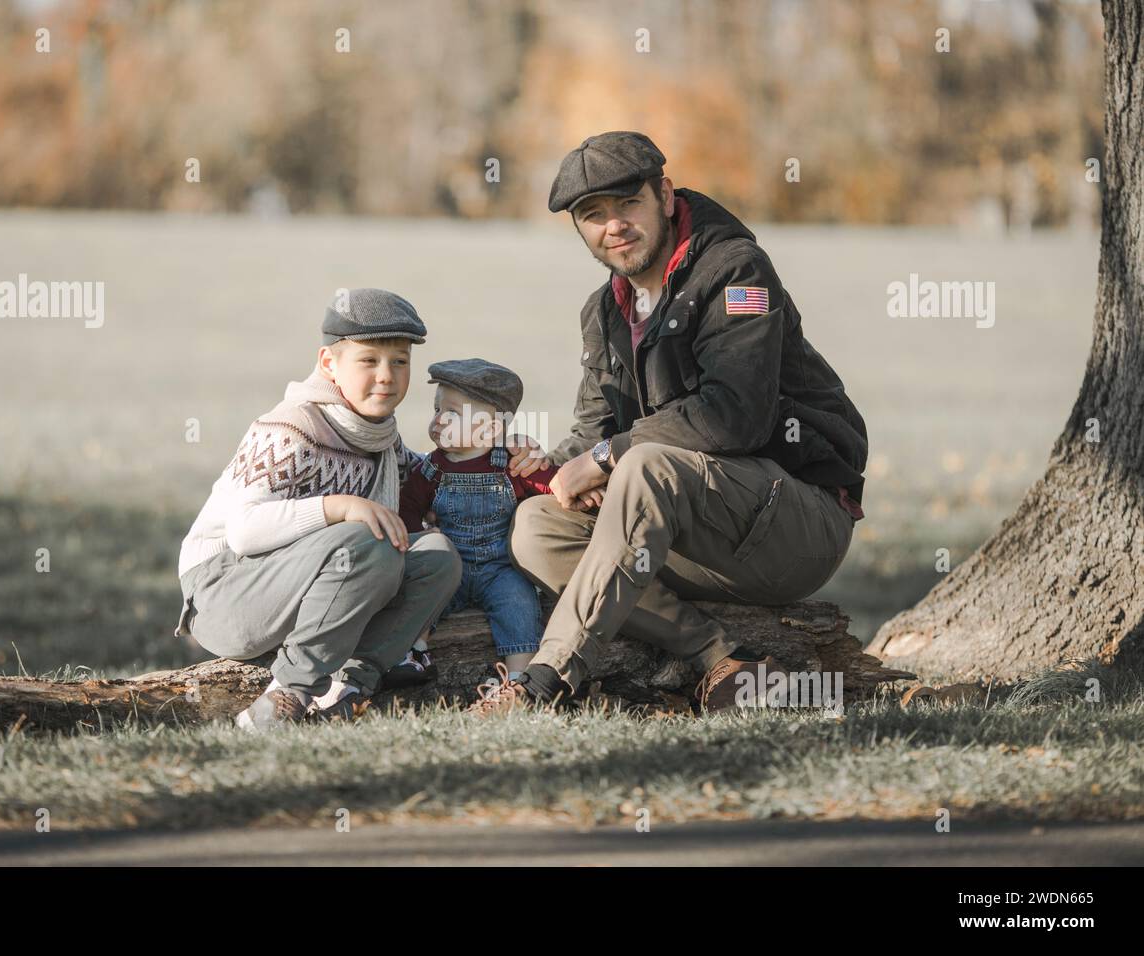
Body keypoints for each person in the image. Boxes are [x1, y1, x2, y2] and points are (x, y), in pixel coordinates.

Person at [470, 131, 869, 716]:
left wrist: (607, 458)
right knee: (536, 527)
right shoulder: (605, 310)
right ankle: (719, 659)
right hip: (695, 532)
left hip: (794, 522)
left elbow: (736, 415)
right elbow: (595, 427)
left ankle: (546, 680)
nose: (614, 226)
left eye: (628, 204)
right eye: (593, 215)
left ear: (664, 193)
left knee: (645, 464)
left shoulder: (738, 273)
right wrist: (552, 465)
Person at [174, 288, 462, 729]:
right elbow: (244, 532)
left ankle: (348, 688)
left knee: (437, 555)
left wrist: (510, 461)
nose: (386, 376)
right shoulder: (293, 426)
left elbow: (432, 479)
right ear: (329, 363)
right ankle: (285, 695)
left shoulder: (380, 437)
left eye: (400, 361)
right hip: (224, 592)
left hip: (298, 590)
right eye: (369, 360)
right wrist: (340, 506)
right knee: (368, 537)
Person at [392, 359, 558, 687]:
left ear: (491, 429)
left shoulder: (512, 462)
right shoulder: (431, 468)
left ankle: (518, 677)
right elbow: (408, 507)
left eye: (451, 414)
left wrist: (570, 487)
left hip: (501, 567)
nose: (437, 421)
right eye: (436, 409)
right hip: (452, 565)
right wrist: (417, 537)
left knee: (519, 605)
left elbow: (552, 485)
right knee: (422, 595)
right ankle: (414, 653)